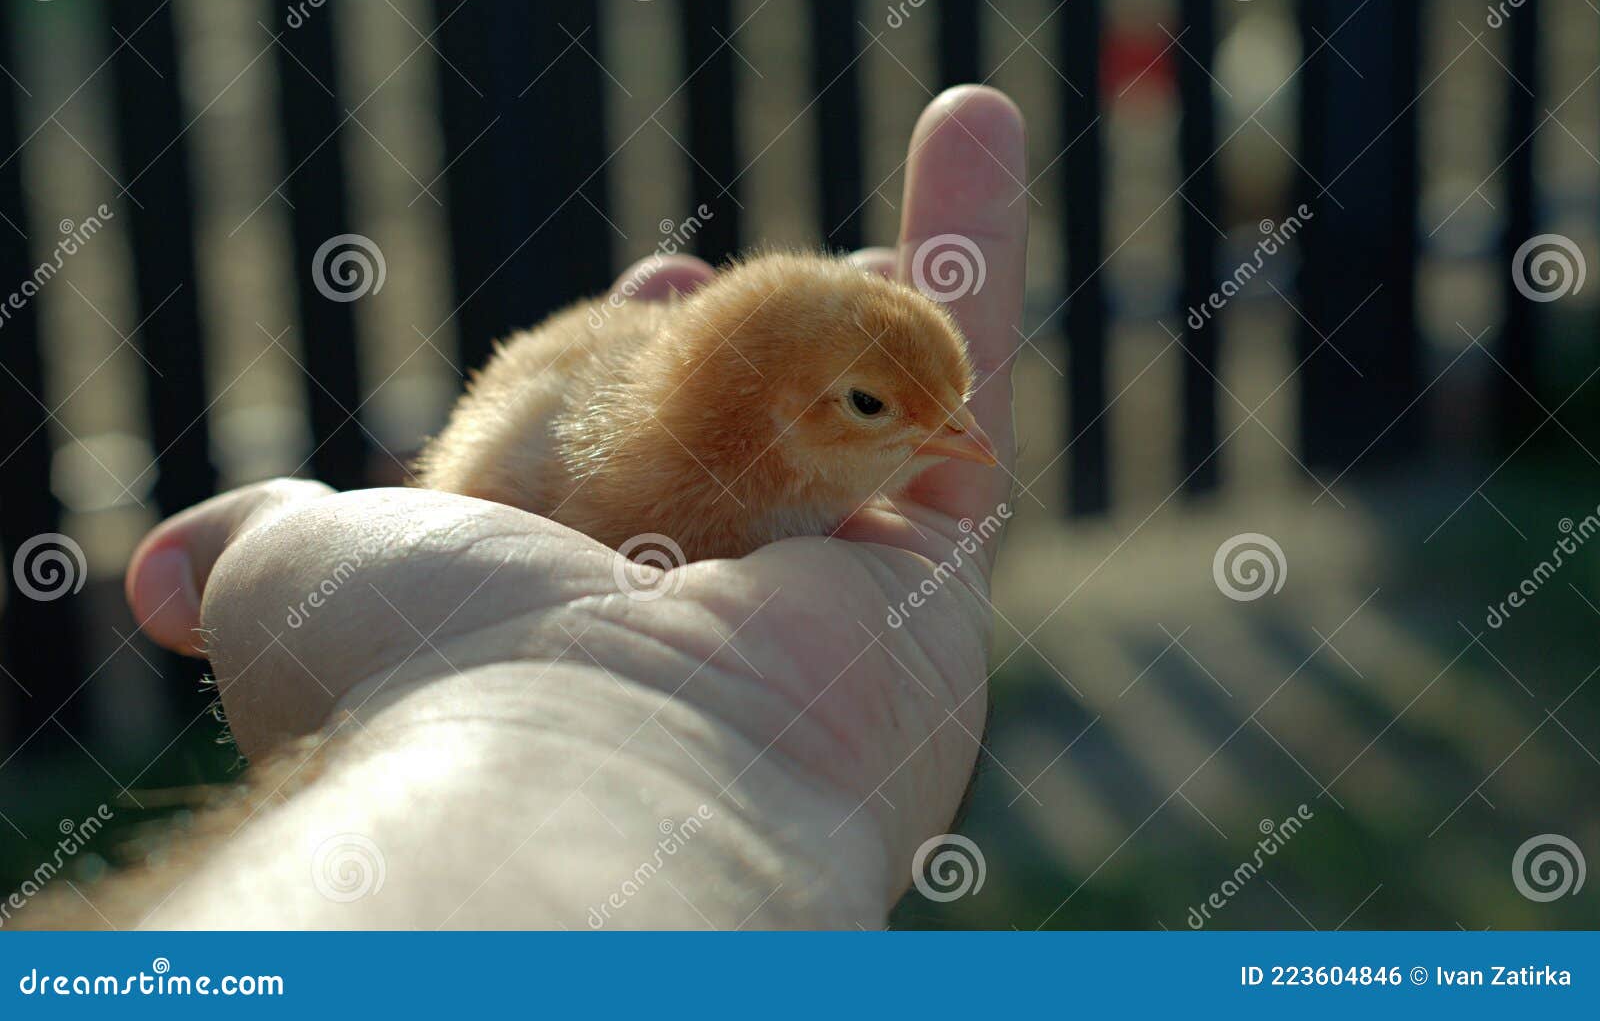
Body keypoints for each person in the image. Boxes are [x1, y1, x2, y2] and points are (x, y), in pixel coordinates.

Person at [100, 86, 1025, 929]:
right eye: (871, 406)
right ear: (775, 419)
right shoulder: (556, 474)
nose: (967, 441)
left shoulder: (790, 464)